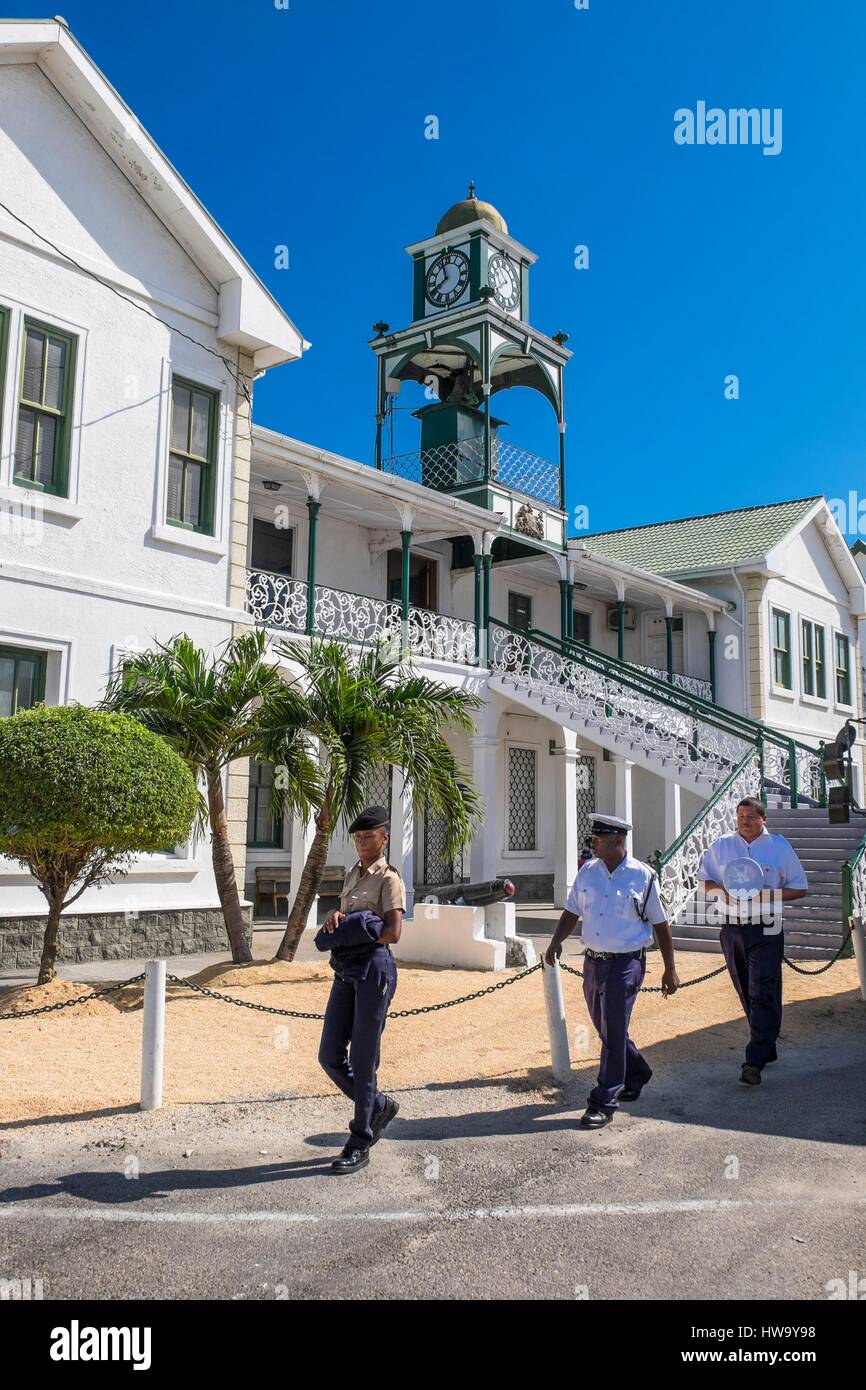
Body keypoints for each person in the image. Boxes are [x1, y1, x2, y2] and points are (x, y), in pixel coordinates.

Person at [546, 813, 680, 1128]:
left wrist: (670, 969)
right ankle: (638, 1071)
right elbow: (571, 911)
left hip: (626, 964)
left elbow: (661, 925)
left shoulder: (642, 876)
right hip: (593, 962)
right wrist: (556, 942)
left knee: (614, 1031)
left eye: (599, 838)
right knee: (605, 1028)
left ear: (618, 841)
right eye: (593, 838)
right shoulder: (587, 872)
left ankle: (604, 1100)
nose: (592, 843)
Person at [316, 805, 406, 1173]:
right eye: (357, 837)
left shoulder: (389, 879)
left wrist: (356, 932)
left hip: (374, 968)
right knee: (329, 1055)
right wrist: (336, 919)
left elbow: (393, 932)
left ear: (384, 838)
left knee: (363, 1058)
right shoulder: (352, 874)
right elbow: (345, 918)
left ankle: (360, 1138)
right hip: (346, 969)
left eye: (369, 837)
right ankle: (379, 1105)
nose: (362, 843)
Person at [697, 796, 807, 1087]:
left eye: (750, 816)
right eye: (740, 816)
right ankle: (766, 1045)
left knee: (763, 988)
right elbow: (704, 882)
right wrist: (721, 892)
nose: (744, 821)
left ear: (763, 819)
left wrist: (766, 896)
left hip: (767, 926)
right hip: (731, 927)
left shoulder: (779, 847)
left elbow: (800, 888)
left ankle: (753, 1060)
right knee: (746, 988)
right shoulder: (722, 845)